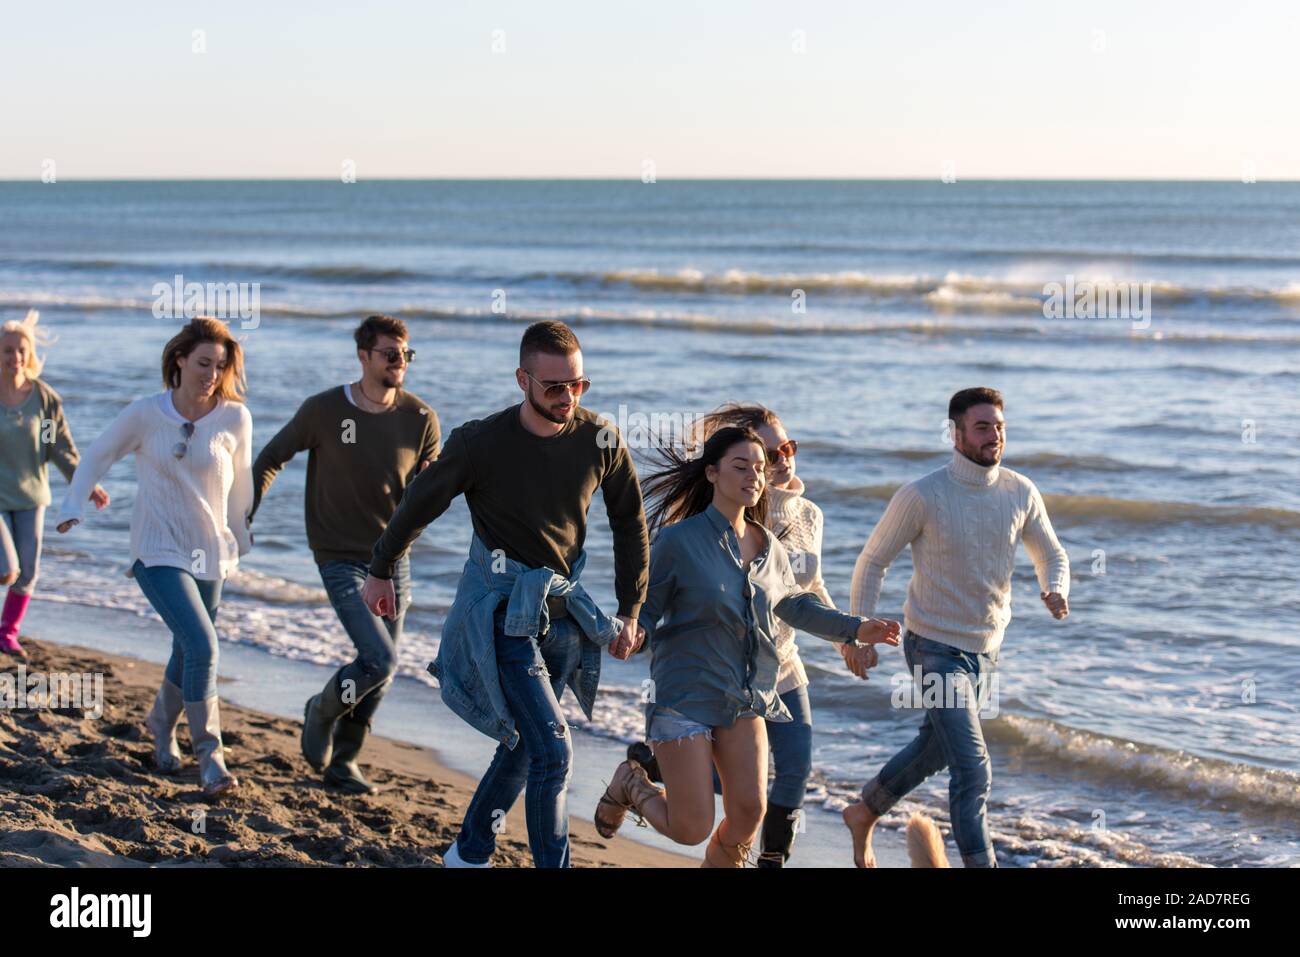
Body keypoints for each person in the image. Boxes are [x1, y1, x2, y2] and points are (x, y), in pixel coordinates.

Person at [360, 320, 649, 868]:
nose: (569, 398)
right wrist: (380, 568)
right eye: (554, 387)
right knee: (554, 752)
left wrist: (630, 609)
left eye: (578, 385)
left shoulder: (600, 439)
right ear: (523, 380)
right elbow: (419, 504)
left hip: (563, 613)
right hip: (501, 612)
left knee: (524, 746)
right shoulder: (479, 443)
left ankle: (468, 853)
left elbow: (630, 524)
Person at [592, 426, 900, 867]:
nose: (755, 475)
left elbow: (794, 605)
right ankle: (632, 785)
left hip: (745, 697)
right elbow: (644, 608)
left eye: (760, 468)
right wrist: (631, 633)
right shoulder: (678, 541)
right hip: (684, 695)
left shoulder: (767, 545)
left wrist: (856, 629)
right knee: (691, 827)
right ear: (713, 473)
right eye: (742, 466)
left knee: (747, 816)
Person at [841, 387, 1070, 868]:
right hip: (933, 647)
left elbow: (1050, 553)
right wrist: (857, 633)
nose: (995, 436)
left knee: (936, 748)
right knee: (973, 767)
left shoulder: (1020, 491)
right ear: (957, 433)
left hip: (985, 652)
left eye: (1000, 426)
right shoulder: (923, 495)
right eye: (983, 426)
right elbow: (872, 561)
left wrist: (1055, 586)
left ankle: (865, 810)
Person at [57, 318, 254, 798]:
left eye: (220, 366)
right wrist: (72, 505)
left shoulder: (234, 417)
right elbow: (99, 454)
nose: (211, 373)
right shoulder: (146, 414)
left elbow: (241, 481)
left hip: (209, 549)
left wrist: (241, 534)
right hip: (157, 547)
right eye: (203, 362)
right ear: (180, 359)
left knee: (187, 647)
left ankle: (160, 727)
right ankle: (212, 756)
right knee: (204, 645)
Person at [681, 403, 880, 866]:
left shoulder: (810, 514)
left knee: (795, 768)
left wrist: (846, 640)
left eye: (788, 447)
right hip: (732, 670)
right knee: (717, 781)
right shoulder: (740, 515)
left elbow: (812, 588)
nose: (784, 458)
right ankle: (644, 766)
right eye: (772, 454)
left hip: (786, 663)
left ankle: (772, 859)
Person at [251, 315, 440, 793]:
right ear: (363, 356)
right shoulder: (324, 410)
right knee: (380, 659)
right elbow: (272, 457)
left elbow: (428, 491)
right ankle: (321, 710)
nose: (401, 362)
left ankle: (345, 760)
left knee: (385, 667)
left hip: (393, 560)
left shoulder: (420, 419)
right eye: (390, 354)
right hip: (338, 555)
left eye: (406, 354)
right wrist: (245, 512)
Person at [0, 310, 108, 658]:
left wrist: (85, 482)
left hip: (31, 496)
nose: (14, 357)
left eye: (20, 350)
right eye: (7, 350)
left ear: (29, 355)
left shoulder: (42, 400)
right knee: (7, 568)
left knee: (27, 572)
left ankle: (6, 634)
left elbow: (57, 448)